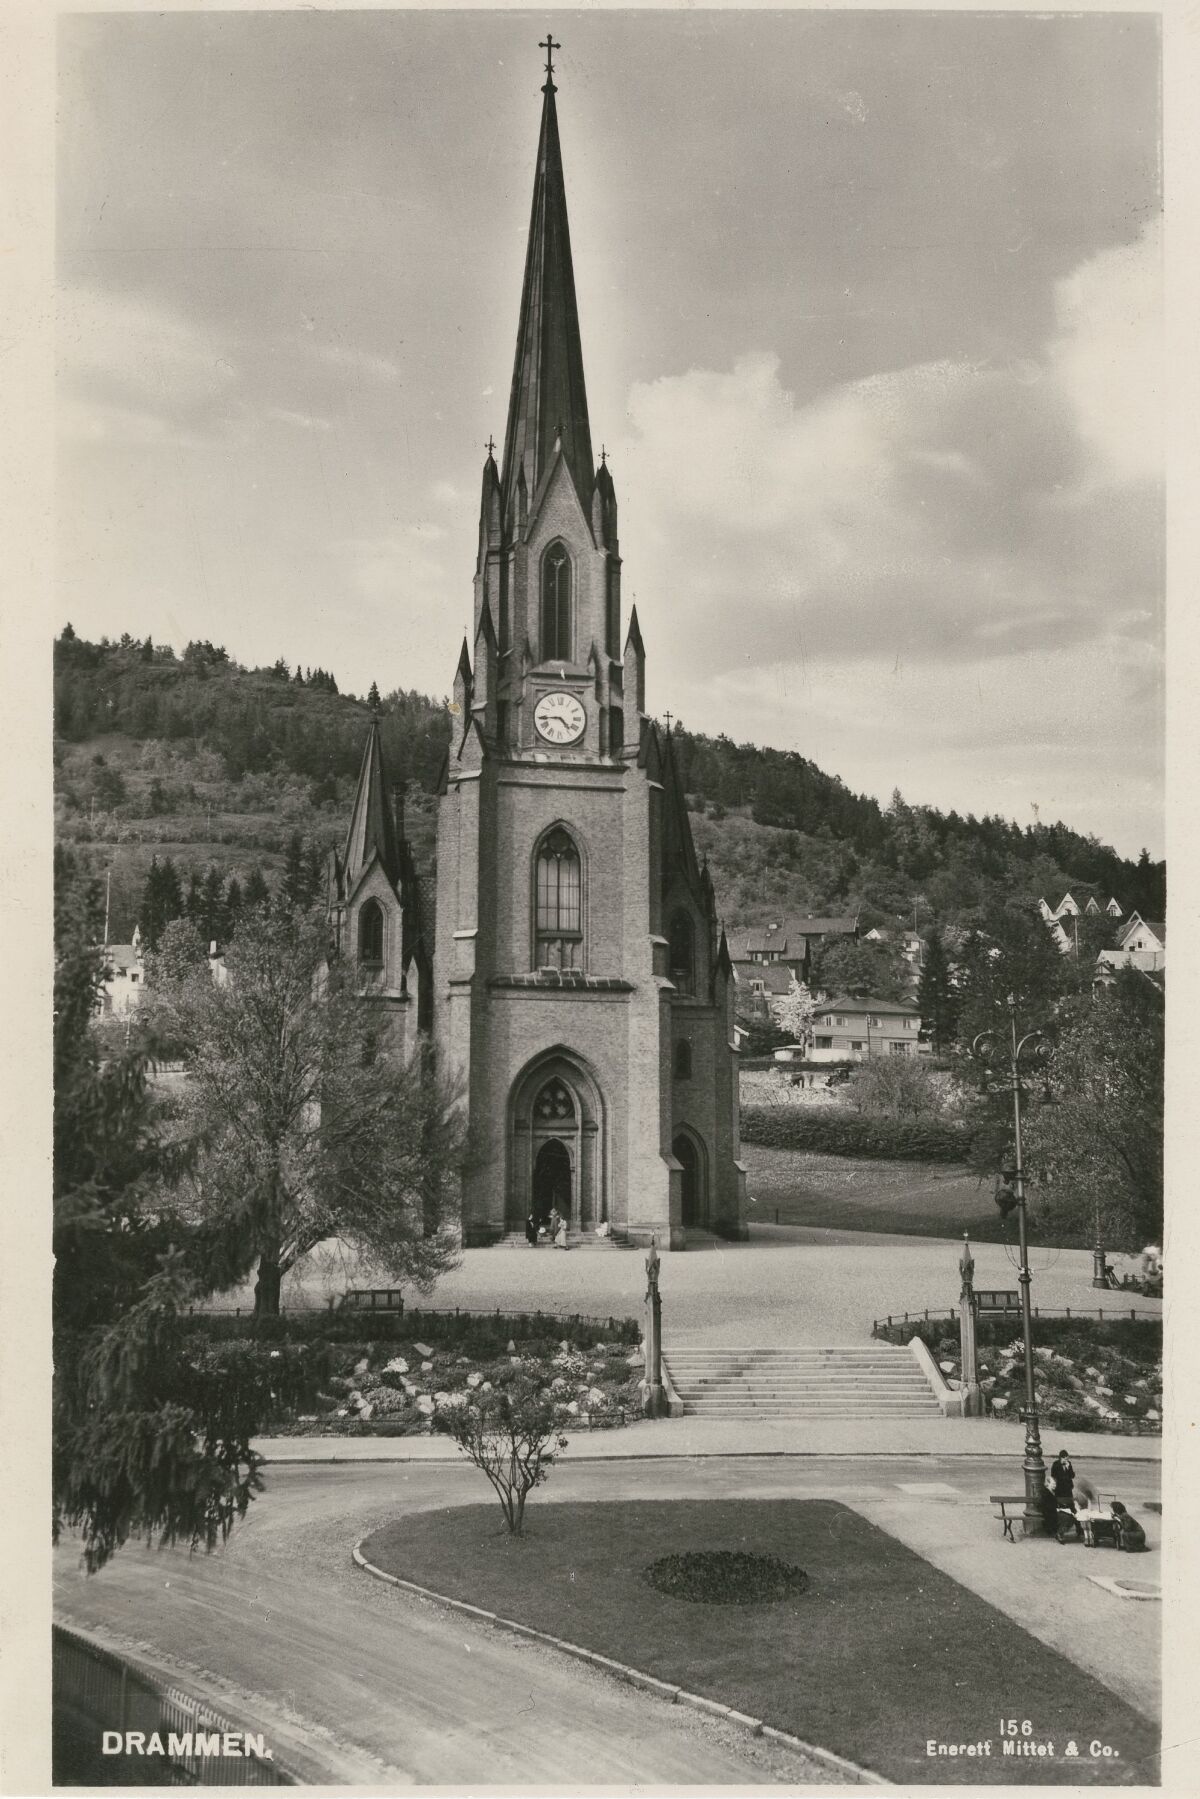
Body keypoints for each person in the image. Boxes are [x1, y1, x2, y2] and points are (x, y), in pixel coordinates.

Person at [1049, 1450, 1080, 1542]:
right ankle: (1059, 1531)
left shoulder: (1068, 1464)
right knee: (1061, 1509)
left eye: (1067, 1458)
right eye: (1065, 1459)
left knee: (1072, 1508)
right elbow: (1053, 1475)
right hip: (1060, 1490)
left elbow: (1072, 1476)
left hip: (1068, 1490)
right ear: (1061, 1458)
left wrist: (1068, 1467)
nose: (1066, 1460)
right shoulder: (1056, 1464)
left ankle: (1079, 1528)